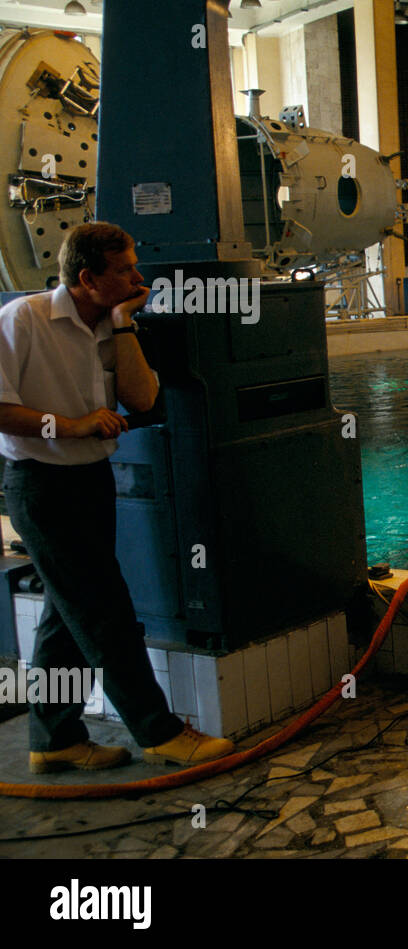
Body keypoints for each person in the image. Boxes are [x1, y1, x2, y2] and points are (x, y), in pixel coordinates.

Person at [0, 222, 236, 773]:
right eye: (125, 269)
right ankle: (159, 732)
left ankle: (54, 738)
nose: (138, 276)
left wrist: (124, 325)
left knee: (68, 612)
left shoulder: (110, 324)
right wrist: (74, 425)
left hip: (89, 482)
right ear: (88, 277)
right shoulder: (22, 320)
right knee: (105, 615)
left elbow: (144, 397)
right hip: (41, 485)